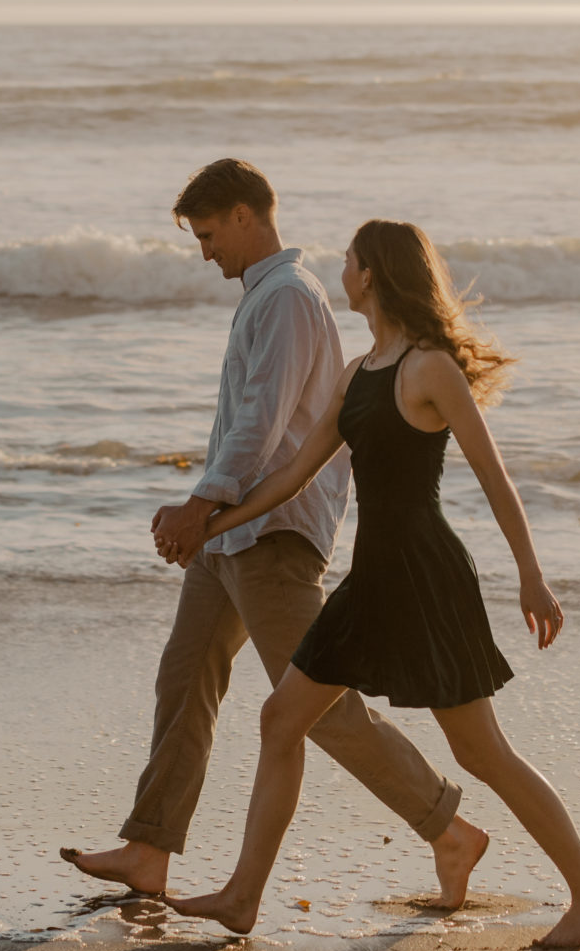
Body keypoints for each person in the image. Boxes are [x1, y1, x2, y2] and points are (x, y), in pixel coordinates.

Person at [160, 218, 580, 948]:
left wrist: (532, 577)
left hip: (426, 578)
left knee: (481, 750)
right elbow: (290, 476)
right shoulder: (360, 371)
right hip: (371, 580)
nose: (340, 269)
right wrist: (207, 526)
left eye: (348, 260)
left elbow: (495, 478)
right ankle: (244, 896)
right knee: (282, 719)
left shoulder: (430, 368)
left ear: (371, 274)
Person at [60, 162, 491, 908]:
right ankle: (148, 849)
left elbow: (262, 423)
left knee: (319, 710)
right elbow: (249, 422)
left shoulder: (288, 298)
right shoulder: (267, 296)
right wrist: (210, 519)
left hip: (274, 536)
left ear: (243, 215)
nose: (204, 252)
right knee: (185, 679)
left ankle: (448, 825)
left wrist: (202, 503)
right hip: (231, 536)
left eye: (207, 234)